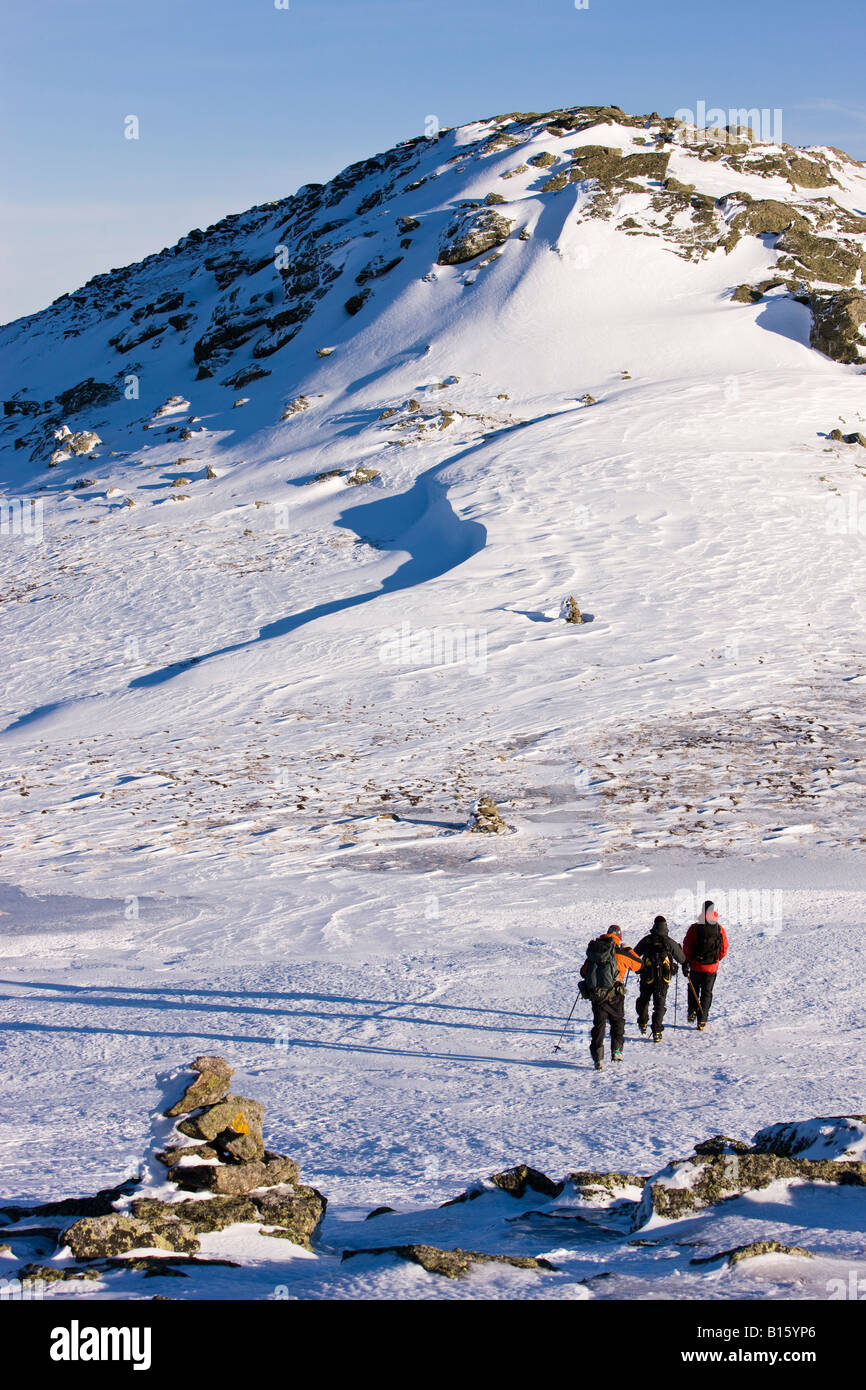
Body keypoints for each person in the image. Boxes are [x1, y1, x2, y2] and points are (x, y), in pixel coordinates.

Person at [579, 926, 641, 1070]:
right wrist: (629, 950)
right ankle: (617, 1051)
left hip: (597, 996)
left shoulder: (595, 952)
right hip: (615, 996)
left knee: (599, 1026)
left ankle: (598, 1058)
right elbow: (639, 965)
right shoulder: (620, 953)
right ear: (619, 937)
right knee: (618, 1022)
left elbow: (584, 972)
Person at [634, 915, 687, 1042]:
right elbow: (682, 959)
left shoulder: (647, 940)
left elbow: (635, 955)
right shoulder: (668, 941)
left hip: (647, 976)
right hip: (663, 979)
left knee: (644, 1000)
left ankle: (643, 1023)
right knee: (659, 1005)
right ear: (665, 927)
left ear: (654, 925)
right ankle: (657, 1032)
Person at [683, 900, 728, 1031]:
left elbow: (687, 947)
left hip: (696, 965)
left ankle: (692, 1010)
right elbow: (724, 948)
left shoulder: (695, 928)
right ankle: (702, 1020)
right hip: (711, 967)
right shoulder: (719, 928)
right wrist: (716, 959)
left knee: (693, 989)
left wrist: (688, 961)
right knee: (707, 993)